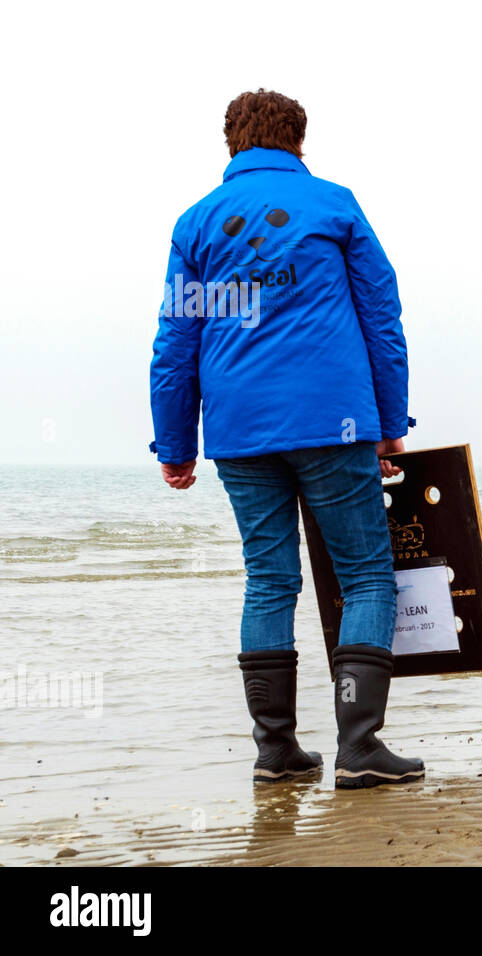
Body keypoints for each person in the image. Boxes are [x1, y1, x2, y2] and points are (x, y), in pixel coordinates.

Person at [149, 88, 424, 788]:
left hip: (240, 431)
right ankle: (359, 748)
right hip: (332, 418)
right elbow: (381, 318)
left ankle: (276, 751)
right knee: (364, 574)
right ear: (299, 141)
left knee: (269, 580)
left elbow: (177, 341)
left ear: (231, 144)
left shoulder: (198, 223)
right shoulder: (334, 206)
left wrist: (175, 443)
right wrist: (391, 425)